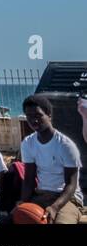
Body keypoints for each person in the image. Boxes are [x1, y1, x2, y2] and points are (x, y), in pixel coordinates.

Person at [17, 94, 82, 225]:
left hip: (67, 199)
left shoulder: (65, 145)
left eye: (38, 115)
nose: (33, 120)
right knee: (17, 218)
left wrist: (55, 207)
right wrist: (24, 202)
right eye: (29, 116)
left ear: (49, 115)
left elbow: (71, 185)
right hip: (42, 195)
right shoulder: (28, 144)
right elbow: (29, 178)